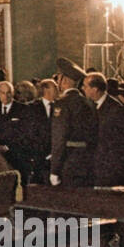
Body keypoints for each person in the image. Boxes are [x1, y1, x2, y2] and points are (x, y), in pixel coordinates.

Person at [49, 57, 97, 187]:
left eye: (58, 78)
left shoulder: (62, 103)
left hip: (69, 162)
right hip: (87, 160)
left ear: (63, 80)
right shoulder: (88, 102)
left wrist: (54, 170)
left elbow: (59, 137)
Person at [83, 71, 124, 187]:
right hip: (95, 167)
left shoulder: (116, 109)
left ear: (95, 89)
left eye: (85, 86)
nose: (83, 89)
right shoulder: (91, 106)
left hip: (109, 169)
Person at [0, 80, 32, 187]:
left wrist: (9, 146)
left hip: (16, 155)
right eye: (3, 93)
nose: (6, 96)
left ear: (13, 94)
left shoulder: (23, 109)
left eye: (9, 93)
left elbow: (25, 132)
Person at [28, 78, 58, 184]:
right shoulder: (32, 107)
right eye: (55, 87)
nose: (58, 90)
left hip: (54, 154)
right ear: (46, 89)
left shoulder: (60, 107)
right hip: (38, 156)